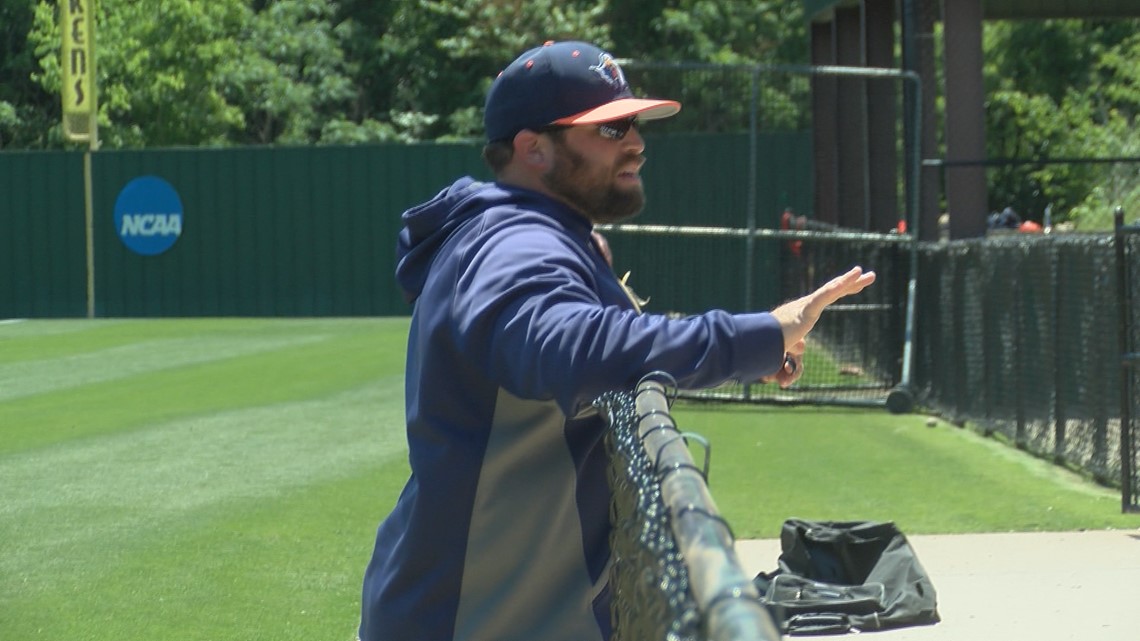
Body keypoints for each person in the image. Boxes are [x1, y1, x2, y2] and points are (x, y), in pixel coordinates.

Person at [357, 40, 876, 641]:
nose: (636, 142)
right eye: (608, 129)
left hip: (491, 606)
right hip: (466, 619)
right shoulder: (515, 245)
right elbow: (570, 348)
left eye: (632, 122)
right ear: (533, 149)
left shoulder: (529, 236)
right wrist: (760, 334)